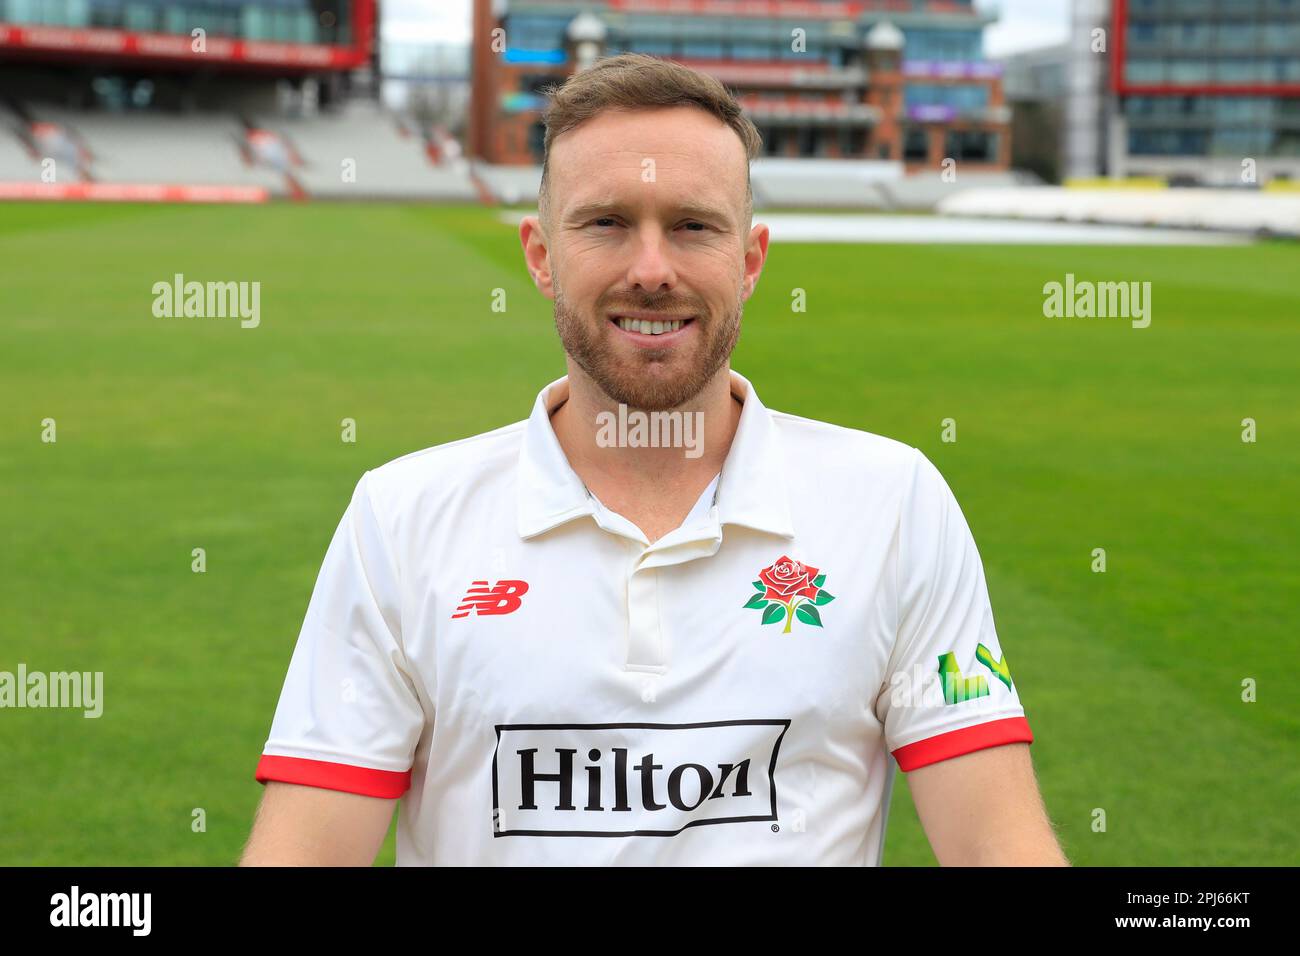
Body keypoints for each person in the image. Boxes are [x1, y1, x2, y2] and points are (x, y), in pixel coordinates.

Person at [240, 53, 1068, 866]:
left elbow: (995, 844)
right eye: (605, 223)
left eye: (692, 226)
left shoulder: (893, 504)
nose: (650, 271)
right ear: (540, 256)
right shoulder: (401, 520)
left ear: (750, 261)